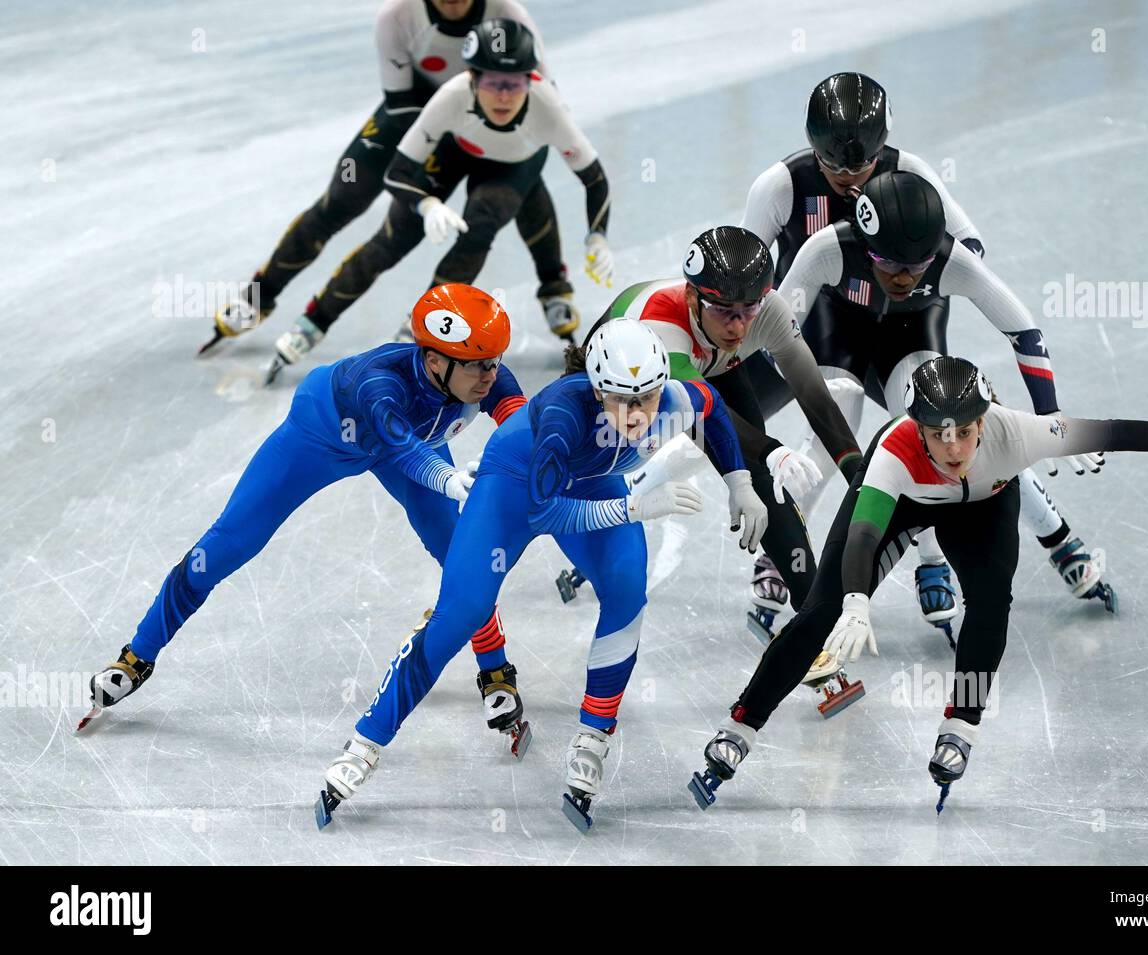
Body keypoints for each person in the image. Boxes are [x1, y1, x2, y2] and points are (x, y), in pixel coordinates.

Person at [687, 355, 1148, 812]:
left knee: (992, 598)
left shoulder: (1017, 432)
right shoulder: (895, 451)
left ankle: (959, 725)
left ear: (984, 421)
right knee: (819, 614)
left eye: (964, 433)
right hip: (901, 506)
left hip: (983, 510)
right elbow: (865, 534)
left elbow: (1115, 431)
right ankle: (738, 728)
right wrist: (858, 600)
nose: (951, 447)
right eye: (936, 434)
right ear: (915, 425)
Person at [316, 319, 767, 832]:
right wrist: (633, 508)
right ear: (598, 391)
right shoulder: (563, 419)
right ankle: (366, 743)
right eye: (624, 400)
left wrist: (741, 484)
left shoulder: (669, 402)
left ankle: (593, 737)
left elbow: (711, 406)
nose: (641, 413)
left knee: (626, 595)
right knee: (461, 613)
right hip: (513, 490)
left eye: (649, 396)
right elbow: (549, 516)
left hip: (596, 483)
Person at [741, 72, 1114, 641]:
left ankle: (1042, 539)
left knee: (952, 436)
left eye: (860, 168)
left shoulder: (913, 183)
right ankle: (784, 553)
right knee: (832, 430)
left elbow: (977, 265)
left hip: (908, 328)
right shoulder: (795, 208)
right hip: (830, 325)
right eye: (832, 166)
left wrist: (912, 271)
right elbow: (754, 283)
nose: (846, 180)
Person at [84, 285, 527, 741]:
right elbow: (406, 452)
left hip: (414, 445)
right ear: (435, 360)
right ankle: (136, 656)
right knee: (227, 544)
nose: (491, 375)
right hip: (323, 437)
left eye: (495, 361)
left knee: (462, 556)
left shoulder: (484, 376)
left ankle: (495, 672)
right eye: (478, 364)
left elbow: (525, 432)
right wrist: (451, 481)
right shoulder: (378, 383)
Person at [555, 226, 867, 715]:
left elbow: (813, 394)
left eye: (750, 311)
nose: (740, 328)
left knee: (764, 480)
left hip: (701, 372)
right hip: (617, 398)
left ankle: (810, 621)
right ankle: (625, 499)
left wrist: (859, 477)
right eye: (725, 311)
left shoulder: (764, 312)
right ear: (693, 296)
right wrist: (769, 451)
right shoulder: (663, 322)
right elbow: (701, 415)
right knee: (736, 453)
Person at [200, 1, 574, 358]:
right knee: (342, 199)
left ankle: (554, 284)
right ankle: (259, 296)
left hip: (491, 117)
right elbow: (399, 102)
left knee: (516, 184)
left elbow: (543, 98)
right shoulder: (397, 15)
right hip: (415, 118)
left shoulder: (509, 14)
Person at [262, 18, 614, 383]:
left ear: (532, 80)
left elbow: (595, 179)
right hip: (455, 151)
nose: (505, 96)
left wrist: (598, 236)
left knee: (481, 223)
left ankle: (425, 329)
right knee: (392, 239)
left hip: (513, 166)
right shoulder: (451, 95)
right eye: (493, 83)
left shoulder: (549, 108)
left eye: (515, 83)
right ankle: (313, 322)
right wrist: (426, 204)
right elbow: (396, 173)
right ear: (472, 78)